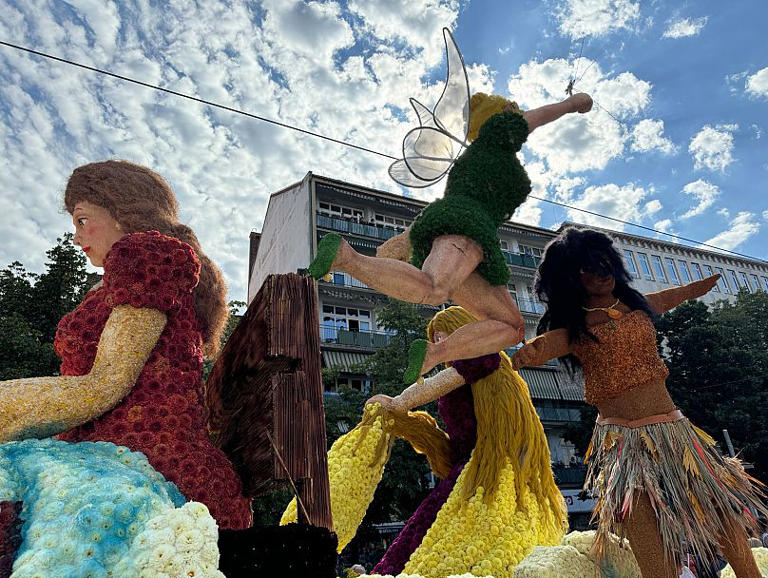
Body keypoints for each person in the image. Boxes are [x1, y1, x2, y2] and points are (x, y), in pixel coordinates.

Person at [0, 160, 251, 531]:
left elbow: (104, 385)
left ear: (123, 212)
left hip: (147, 460)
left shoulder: (147, 257)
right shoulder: (116, 281)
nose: (75, 236)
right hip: (108, 453)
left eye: (82, 220)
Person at [512, 227, 767, 578]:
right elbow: (541, 347)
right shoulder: (573, 330)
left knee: (717, 510)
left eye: (605, 264)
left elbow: (671, 296)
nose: (601, 273)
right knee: (642, 524)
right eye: (588, 269)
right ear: (570, 278)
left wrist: (696, 288)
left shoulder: (638, 307)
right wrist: (519, 352)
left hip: (673, 432)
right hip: (621, 444)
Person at [308, 91, 593, 384]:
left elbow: (443, 206)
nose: (518, 117)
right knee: (433, 287)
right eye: (512, 112)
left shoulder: (483, 155)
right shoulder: (496, 136)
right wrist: (571, 105)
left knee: (512, 326)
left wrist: (404, 241)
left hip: (475, 242)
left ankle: (434, 353)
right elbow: (533, 119)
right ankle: (346, 258)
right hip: (466, 227)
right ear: (500, 118)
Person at [293, 306, 566, 577]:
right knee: (423, 531)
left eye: (446, 338)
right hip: (469, 468)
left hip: (488, 474)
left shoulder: (483, 359)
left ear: (466, 333)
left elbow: (436, 385)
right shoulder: (469, 372)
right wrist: (408, 425)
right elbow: (453, 439)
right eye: (435, 340)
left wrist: (399, 402)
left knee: (435, 533)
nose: (440, 345)